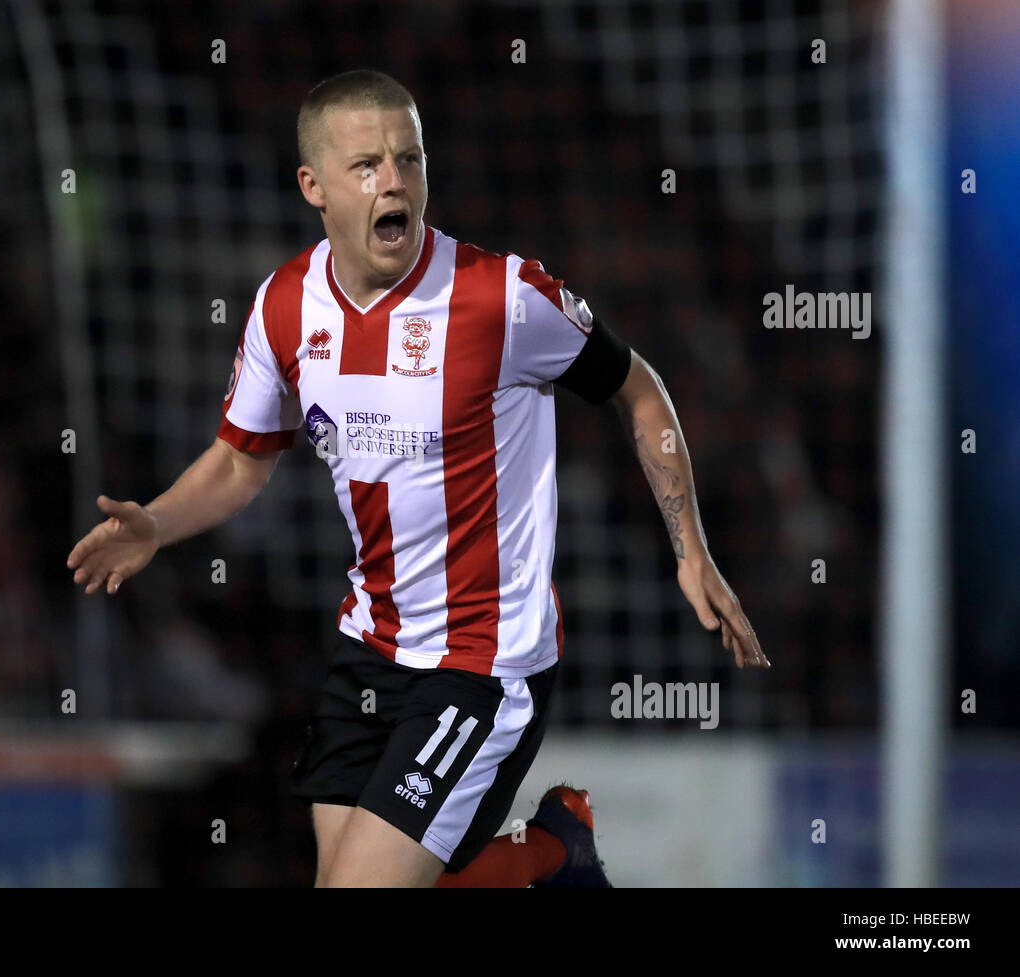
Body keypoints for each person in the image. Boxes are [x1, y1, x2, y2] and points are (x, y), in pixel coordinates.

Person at [67, 69, 769, 888]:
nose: (393, 180)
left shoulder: (501, 298)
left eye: (409, 158)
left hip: (484, 663)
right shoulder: (285, 307)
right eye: (365, 165)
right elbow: (239, 460)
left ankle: (549, 856)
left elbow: (634, 386)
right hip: (370, 647)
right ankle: (551, 857)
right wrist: (155, 522)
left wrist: (690, 547)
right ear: (314, 187)